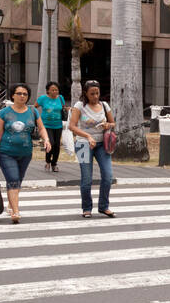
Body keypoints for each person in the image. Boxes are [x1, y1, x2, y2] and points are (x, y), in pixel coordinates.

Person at [0, 83, 49, 224]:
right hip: (6, 152)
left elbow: (41, 128)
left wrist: (46, 139)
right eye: (19, 93)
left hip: (25, 153)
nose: (22, 96)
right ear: (13, 95)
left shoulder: (33, 111)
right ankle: (15, 211)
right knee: (13, 179)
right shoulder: (4, 113)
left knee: (18, 180)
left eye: (25, 94)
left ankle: (12, 203)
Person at [69, 80, 116, 218]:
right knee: (87, 178)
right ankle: (87, 208)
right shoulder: (79, 106)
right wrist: (88, 136)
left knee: (108, 176)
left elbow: (113, 122)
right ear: (85, 93)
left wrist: (108, 125)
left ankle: (103, 206)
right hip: (83, 144)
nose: (95, 96)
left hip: (102, 145)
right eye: (92, 94)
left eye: (97, 93)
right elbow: (72, 126)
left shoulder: (104, 105)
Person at [37, 82, 66, 172]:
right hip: (46, 125)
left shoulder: (61, 98)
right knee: (51, 143)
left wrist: (68, 109)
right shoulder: (43, 99)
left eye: (56, 90)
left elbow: (63, 108)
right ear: (48, 91)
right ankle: (48, 161)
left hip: (58, 125)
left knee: (57, 145)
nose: (55, 91)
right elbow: (34, 108)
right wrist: (37, 120)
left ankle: (54, 163)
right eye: (52, 90)